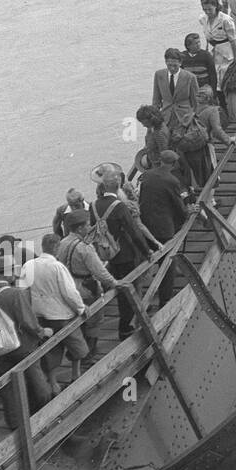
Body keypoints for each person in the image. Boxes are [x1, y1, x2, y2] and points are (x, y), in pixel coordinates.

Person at [0, 273, 52, 429]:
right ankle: (42, 418)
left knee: (9, 392)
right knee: (39, 386)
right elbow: (28, 322)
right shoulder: (15, 294)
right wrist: (43, 332)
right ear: (7, 274)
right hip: (23, 349)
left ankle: (16, 427)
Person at [92, 176, 157, 340]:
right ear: (118, 187)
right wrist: (147, 250)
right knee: (129, 288)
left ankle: (131, 318)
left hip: (107, 253)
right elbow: (134, 230)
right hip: (125, 253)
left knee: (119, 286)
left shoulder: (93, 205)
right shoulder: (119, 206)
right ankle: (126, 327)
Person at [19, 236, 88, 383]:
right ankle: (76, 373)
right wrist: (81, 308)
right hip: (62, 315)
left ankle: (53, 382)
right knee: (76, 345)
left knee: (50, 350)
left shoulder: (28, 265)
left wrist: (29, 314)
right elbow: (69, 292)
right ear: (56, 247)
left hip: (40, 315)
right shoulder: (57, 267)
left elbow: (23, 292)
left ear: (42, 246)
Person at [56, 211, 115, 360]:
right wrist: (115, 283)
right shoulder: (85, 247)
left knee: (77, 322)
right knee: (94, 320)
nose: (89, 227)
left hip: (68, 288)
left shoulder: (62, 243)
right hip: (86, 288)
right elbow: (99, 271)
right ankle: (89, 354)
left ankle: (77, 353)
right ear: (80, 228)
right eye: (87, 224)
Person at [136, 153, 190, 308]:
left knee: (148, 259)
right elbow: (178, 204)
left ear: (160, 161)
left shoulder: (147, 175)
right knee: (168, 264)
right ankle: (164, 300)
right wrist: (187, 214)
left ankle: (142, 299)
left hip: (146, 225)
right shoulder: (172, 180)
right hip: (164, 228)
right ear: (174, 164)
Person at [152, 47, 201, 136]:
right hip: (166, 118)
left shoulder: (190, 77)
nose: (172, 68)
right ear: (165, 62)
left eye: (175, 65)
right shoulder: (159, 75)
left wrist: (193, 119)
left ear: (180, 63)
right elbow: (156, 100)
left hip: (185, 119)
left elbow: (196, 103)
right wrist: (153, 121)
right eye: (169, 65)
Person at [199, 0, 236, 98]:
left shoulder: (226, 20)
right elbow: (207, 36)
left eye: (209, 9)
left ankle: (229, 99)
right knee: (215, 79)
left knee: (226, 77)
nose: (207, 12)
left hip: (227, 52)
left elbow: (233, 41)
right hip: (214, 51)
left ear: (216, 6)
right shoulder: (202, 19)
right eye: (205, 9)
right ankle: (219, 100)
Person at [180, 32, 219, 97]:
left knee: (207, 94)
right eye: (196, 43)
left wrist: (214, 91)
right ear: (188, 46)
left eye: (199, 42)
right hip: (189, 87)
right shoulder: (183, 57)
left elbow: (213, 75)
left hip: (204, 87)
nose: (199, 45)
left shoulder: (206, 55)